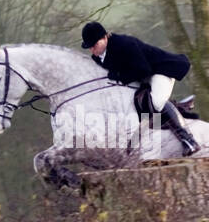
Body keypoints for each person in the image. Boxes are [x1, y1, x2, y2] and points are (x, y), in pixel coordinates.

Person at [80, 21, 201, 155]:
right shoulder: (98, 57)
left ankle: (189, 140)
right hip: (142, 76)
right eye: (90, 47)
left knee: (156, 103)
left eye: (94, 45)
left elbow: (143, 70)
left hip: (160, 70)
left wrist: (120, 76)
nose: (93, 50)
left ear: (105, 37)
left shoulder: (125, 44)